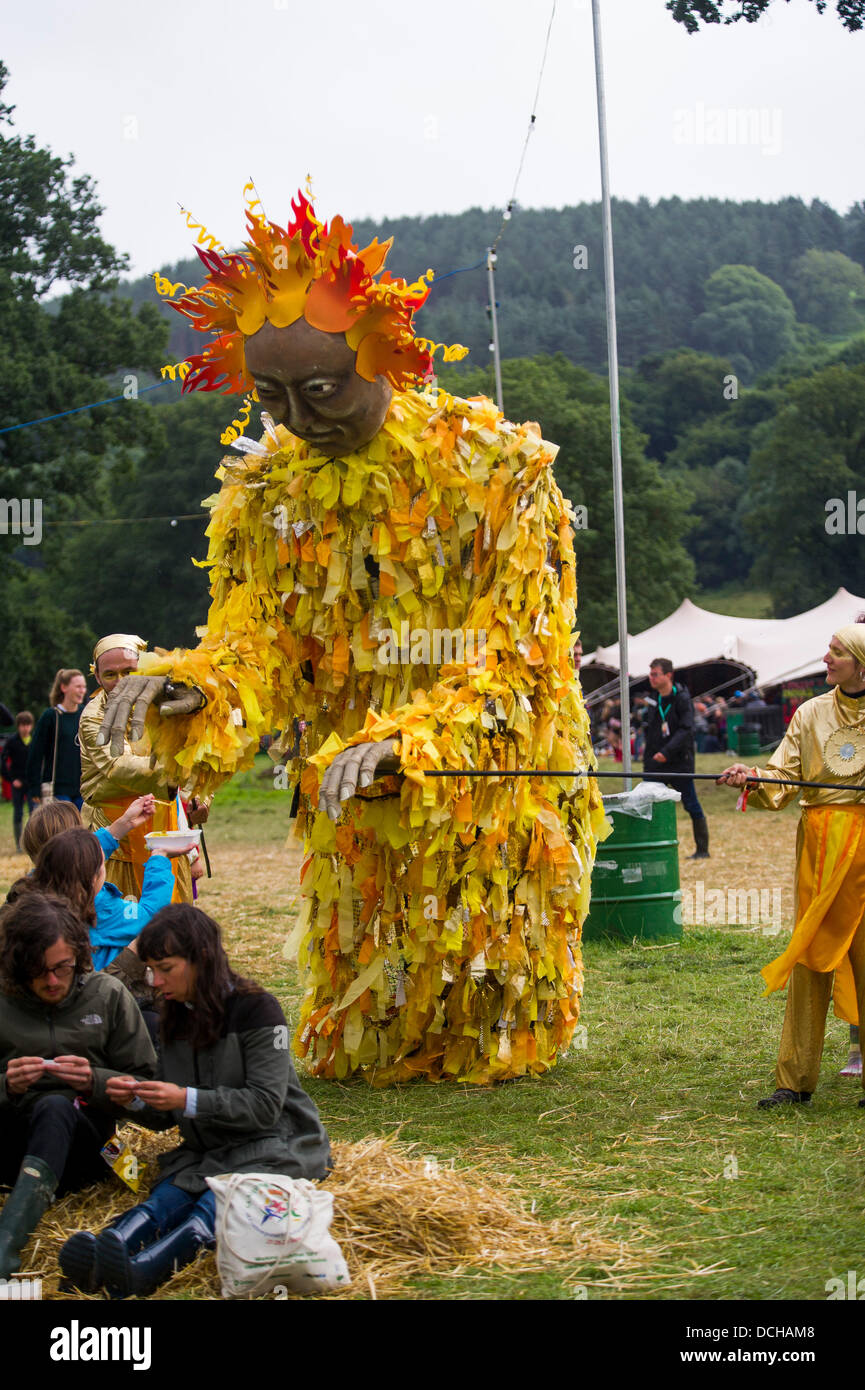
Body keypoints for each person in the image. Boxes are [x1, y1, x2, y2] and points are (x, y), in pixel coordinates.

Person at [93, 186, 606, 1085]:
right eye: (273, 394)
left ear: (385, 358)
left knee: (483, 966)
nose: (295, 417)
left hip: (484, 793)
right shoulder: (264, 493)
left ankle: (495, 1041)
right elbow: (262, 645)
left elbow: (523, 659)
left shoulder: (500, 470)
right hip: (344, 801)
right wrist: (202, 689)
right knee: (364, 973)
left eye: (320, 388)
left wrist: (414, 742)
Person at [59, 902, 331, 1296]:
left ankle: (143, 1272)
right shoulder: (175, 1015)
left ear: (201, 959)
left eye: (165, 969)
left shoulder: (258, 1009)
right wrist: (132, 1098)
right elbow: (168, 1114)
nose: (154, 981)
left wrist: (185, 1098)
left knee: (214, 1206)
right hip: (210, 1151)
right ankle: (108, 1250)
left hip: (275, 1146)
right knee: (167, 1198)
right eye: (151, 969)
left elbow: (265, 1106)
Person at [717, 625, 865, 1108]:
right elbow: (783, 777)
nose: (826, 658)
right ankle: (793, 1080)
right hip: (819, 854)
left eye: (837, 652)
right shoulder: (811, 712)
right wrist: (752, 776)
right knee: (809, 958)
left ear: (860, 663)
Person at [0, 893, 157, 1277]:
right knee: (45, 1106)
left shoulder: (106, 995)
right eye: (38, 971)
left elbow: (155, 1103)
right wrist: (7, 1086)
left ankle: (6, 1244)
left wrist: (94, 1082)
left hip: (87, 1147)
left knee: (56, 1106)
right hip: (9, 1145)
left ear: (79, 958)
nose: (52, 980)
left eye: (63, 968)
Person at [78, 635, 205, 904]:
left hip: (165, 830)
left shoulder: (162, 701)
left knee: (171, 919)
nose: (121, 680)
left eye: (129, 672)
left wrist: (198, 798)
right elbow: (119, 765)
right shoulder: (93, 716)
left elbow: (193, 750)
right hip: (114, 838)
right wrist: (175, 780)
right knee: (121, 919)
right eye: (110, 674)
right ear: (98, 678)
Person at [642, 657, 709, 859]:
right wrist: (650, 761)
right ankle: (650, 849)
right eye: (650, 674)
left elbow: (686, 730)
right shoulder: (654, 700)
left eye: (656, 674)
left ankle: (702, 850)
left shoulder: (682, 699)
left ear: (668, 675)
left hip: (679, 762)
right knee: (648, 803)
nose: (651, 678)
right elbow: (651, 731)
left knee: (691, 803)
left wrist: (668, 752)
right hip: (656, 763)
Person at [26, 669, 87, 809]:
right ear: (64, 687)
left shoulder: (86, 715)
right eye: (78, 686)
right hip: (57, 790)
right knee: (63, 829)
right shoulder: (51, 716)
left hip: (81, 789)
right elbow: (35, 754)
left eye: (84, 687)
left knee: (82, 830)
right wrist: (34, 786)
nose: (82, 691)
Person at [2, 711, 35, 851]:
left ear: (31, 726)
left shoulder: (34, 741)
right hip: (17, 783)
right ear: (18, 726)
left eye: (27, 725)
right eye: (22, 725)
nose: (25, 728)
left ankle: (33, 841)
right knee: (18, 814)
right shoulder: (12, 742)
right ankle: (18, 845)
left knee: (34, 813)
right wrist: (11, 779)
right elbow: (2, 762)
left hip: (31, 783)